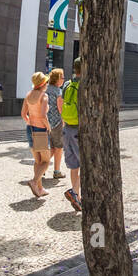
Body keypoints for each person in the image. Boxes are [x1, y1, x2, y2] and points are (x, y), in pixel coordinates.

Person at [21, 72, 51, 198]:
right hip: (40, 129)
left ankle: (40, 188)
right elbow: (43, 116)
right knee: (46, 161)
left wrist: (31, 122)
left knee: (37, 161)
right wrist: (48, 127)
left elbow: (23, 114)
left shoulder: (28, 95)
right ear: (43, 84)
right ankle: (34, 182)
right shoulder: (43, 96)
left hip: (30, 128)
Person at [60, 58, 82, 212]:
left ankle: (78, 197)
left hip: (67, 128)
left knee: (74, 166)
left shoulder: (67, 84)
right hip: (79, 130)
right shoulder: (84, 85)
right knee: (86, 166)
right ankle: (74, 192)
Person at [45, 68, 66, 183]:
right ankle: (57, 171)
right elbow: (60, 108)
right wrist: (64, 121)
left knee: (52, 148)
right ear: (57, 79)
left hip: (47, 122)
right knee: (58, 148)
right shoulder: (58, 91)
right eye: (62, 77)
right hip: (57, 122)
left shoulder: (46, 89)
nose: (63, 79)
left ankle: (41, 166)